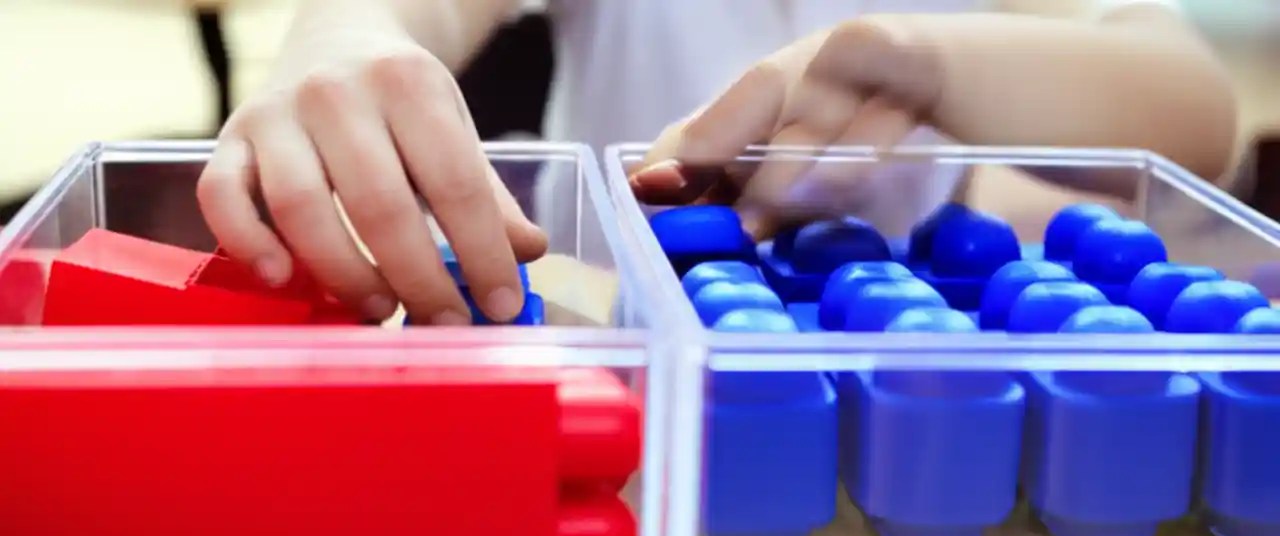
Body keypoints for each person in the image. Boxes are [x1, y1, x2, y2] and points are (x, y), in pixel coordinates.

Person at [196, 0, 1235, 326]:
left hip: (893, 356)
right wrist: (339, 39)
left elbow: (1194, 117)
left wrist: (938, 62)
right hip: (581, 316)